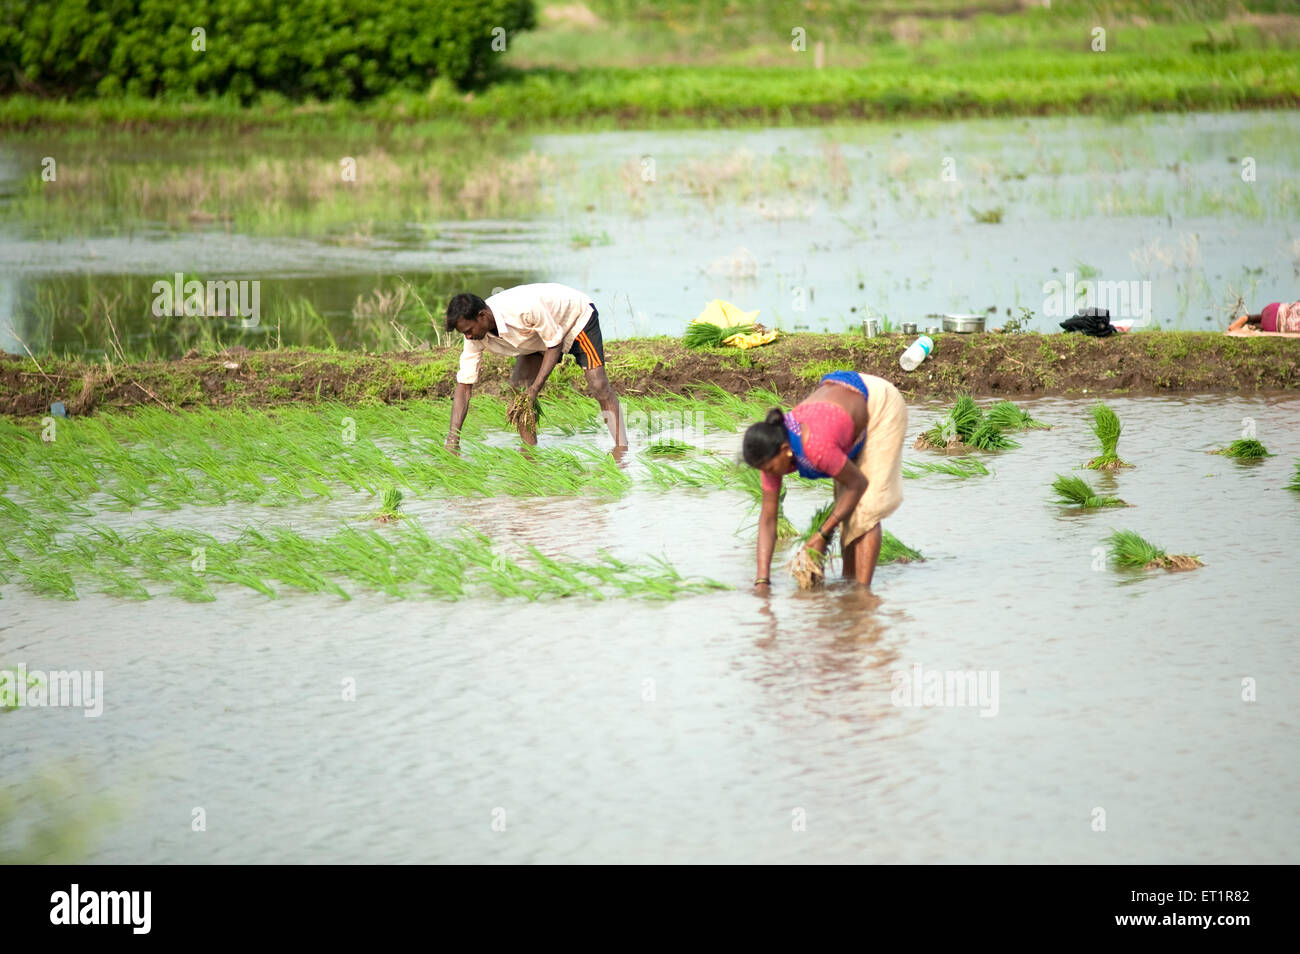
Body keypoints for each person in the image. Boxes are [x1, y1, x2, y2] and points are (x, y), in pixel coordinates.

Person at [742, 371, 908, 591]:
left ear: (785, 450)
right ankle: (848, 584)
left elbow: (858, 484)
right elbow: (768, 518)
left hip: (878, 404)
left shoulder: (815, 446)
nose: (771, 474)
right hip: (840, 410)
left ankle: (862, 596)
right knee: (846, 513)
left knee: (865, 510)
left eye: (771, 468)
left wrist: (821, 534)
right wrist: (762, 581)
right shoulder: (771, 454)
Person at [443, 283, 627, 451]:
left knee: (598, 385)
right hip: (538, 336)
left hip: (575, 319)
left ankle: (622, 448)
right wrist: (453, 439)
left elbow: (554, 345)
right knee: (519, 389)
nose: (467, 337)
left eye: (468, 331)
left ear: (482, 316)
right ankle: (530, 452)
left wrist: (535, 389)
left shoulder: (523, 309)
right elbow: (464, 386)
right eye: (463, 333)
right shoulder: (474, 338)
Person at [1227, 301, 1300, 334]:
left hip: (1274, 308)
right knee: (1264, 327)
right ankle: (1251, 326)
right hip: (1276, 326)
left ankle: (1248, 318)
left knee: (1265, 317)